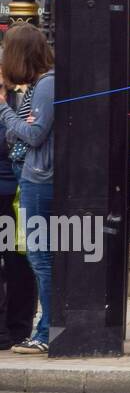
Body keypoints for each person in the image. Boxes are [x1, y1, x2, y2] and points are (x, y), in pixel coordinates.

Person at [0, 24, 56, 355]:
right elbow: (19, 133)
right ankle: (45, 326)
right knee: (38, 256)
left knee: (40, 257)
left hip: (39, 178)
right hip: (31, 177)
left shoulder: (47, 85)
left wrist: (4, 109)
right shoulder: (36, 86)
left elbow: (33, 135)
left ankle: (47, 329)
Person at [0, 57, 36, 351]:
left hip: (12, 191)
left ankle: (18, 329)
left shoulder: (18, 101)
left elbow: (17, 140)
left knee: (19, 262)